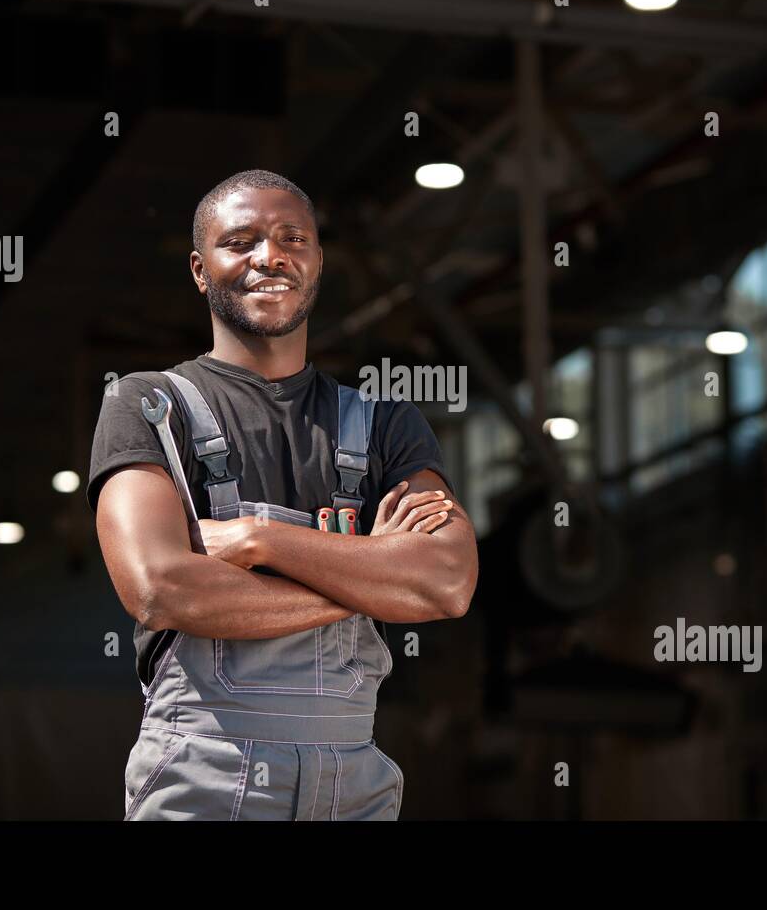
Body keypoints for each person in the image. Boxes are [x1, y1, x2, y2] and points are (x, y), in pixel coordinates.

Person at [87, 169, 478, 820]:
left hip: (356, 784)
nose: (270, 255)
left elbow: (446, 583)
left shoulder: (386, 424)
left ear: (317, 260)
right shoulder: (147, 407)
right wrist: (369, 575)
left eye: (292, 237)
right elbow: (161, 587)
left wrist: (257, 541)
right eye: (240, 241)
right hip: (206, 769)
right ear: (199, 269)